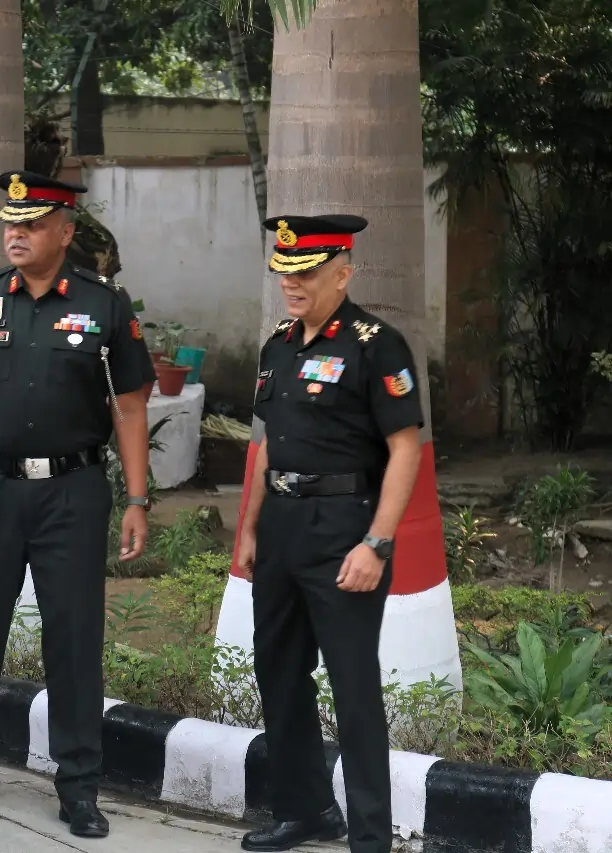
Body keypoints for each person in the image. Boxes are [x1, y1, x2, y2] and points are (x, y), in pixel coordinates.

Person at [0, 171, 154, 839]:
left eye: (31, 224)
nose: (16, 233)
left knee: (75, 636)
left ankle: (79, 783)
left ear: (65, 231)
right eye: (10, 223)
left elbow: (133, 406)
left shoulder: (104, 305)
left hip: (72, 492)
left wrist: (138, 498)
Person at [235, 215, 423, 853]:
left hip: (345, 527)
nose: (293, 283)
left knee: (352, 684)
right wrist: (252, 529)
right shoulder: (279, 345)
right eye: (285, 272)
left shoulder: (377, 345)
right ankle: (307, 810)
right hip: (283, 528)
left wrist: (377, 542)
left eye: (307, 272)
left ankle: (371, 835)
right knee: (280, 673)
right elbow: (266, 447)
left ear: (343, 273)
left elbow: (405, 450)